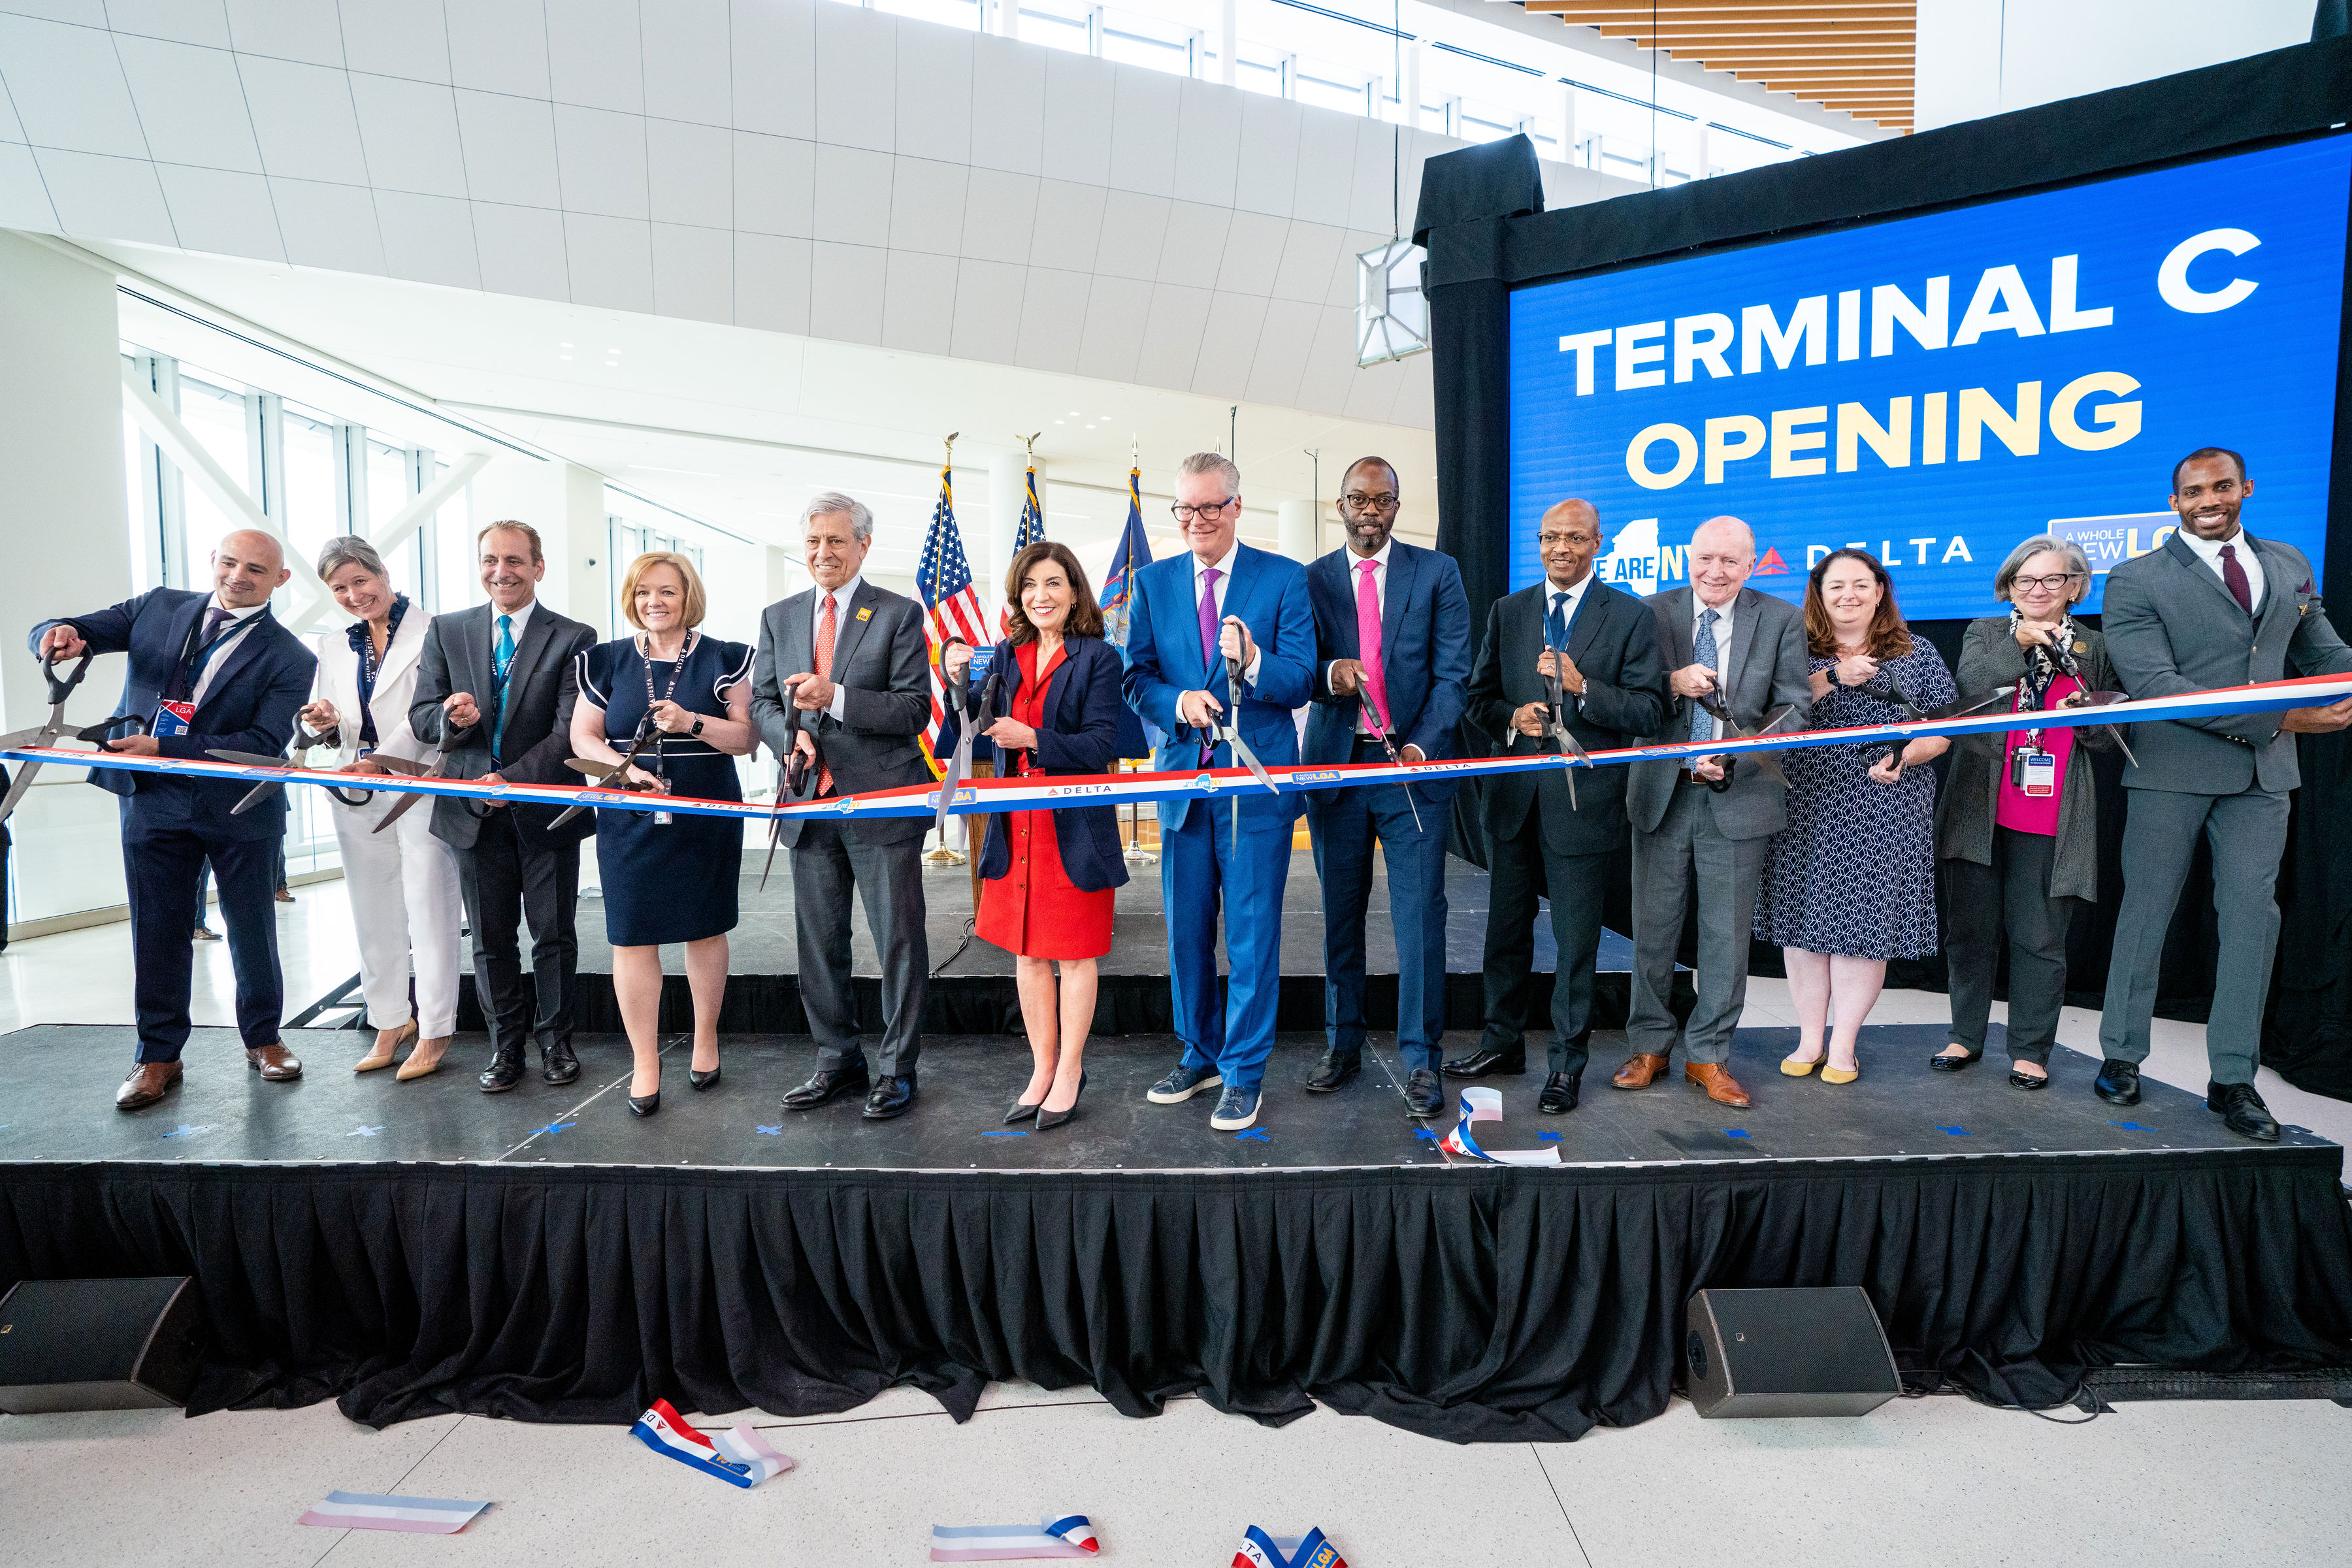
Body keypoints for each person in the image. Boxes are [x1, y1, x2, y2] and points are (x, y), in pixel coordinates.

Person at [2095, 447, 2352, 1141]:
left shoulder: (2290, 563)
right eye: (2194, 490)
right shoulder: (2133, 578)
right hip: (2172, 769)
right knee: (2147, 914)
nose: (2210, 498)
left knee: (2251, 922)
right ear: (2174, 501)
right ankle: (2121, 1055)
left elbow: (2324, 653)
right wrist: (2286, 716)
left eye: (2222, 486)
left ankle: (2233, 1079)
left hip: (2264, 778)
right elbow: (2157, 689)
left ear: (2246, 488)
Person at [30, 529, 316, 1111]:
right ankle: (158, 1053)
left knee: (252, 929)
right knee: (157, 930)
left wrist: (168, 747)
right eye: (230, 563)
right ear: (213, 560)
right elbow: (66, 629)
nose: (239, 576)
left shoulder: (292, 656)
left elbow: (263, 744)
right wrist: (54, 636)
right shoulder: (156, 607)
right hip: (149, 799)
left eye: (256, 570)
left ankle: (263, 1039)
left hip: (238, 806)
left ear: (279, 581)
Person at [1450, 499, 1669, 1114]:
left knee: (1575, 944)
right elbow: (1480, 697)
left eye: (1575, 538)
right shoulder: (1510, 610)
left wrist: (1584, 689)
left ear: (1598, 543)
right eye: (1550, 537)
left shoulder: (1629, 616)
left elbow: (1651, 711)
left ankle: (1567, 1064)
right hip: (1515, 797)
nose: (1561, 549)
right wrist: (1512, 720)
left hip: (1585, 804)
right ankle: (1502, 1042)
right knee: (1505, 933)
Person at [1122, 451, 1315, 1133]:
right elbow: (1136, 677)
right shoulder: (1152, 582)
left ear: (1236, 506)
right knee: (1186, 933)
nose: (1195, 521)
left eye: (1209, 507)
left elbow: (1300, 680)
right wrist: (1179, 702)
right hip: (1183, 781)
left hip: (1254, 787)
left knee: (1253, 936)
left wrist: (1254, 663)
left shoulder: (1284, 579)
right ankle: (1200, 1051)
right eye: (1184, 509)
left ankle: (1243, 1071)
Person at [752, 493, 934, 1122]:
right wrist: (790, 736)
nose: (823, 553)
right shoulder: (779, 616)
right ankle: (837, 1060)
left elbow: (915, 710)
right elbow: (762, 705)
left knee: (898, 944)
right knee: (819, 944)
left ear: (863, 546)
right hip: (808, 800)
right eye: (812, 543)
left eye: (835, 542)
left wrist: (836, 698)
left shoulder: (899, 614)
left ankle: (896, 1069)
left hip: (881, 802)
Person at [1618, 516, 1810, 1109]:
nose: (1715, 571)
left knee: (1725, 938)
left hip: (1740, 795)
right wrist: (1672, 682)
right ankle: (1649, 1046)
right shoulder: (1648, 614)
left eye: (1730, 561)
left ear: (1752, 564)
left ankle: (1709, 1055)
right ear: (1688, 559)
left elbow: (1794, 708)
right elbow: (1627, 696)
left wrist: (1735, 755)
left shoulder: (1780, 619)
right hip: (1663, 794)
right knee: (1653, 930)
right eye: (1705, 559)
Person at [1299, 456, 1469, 1117]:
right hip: (1337, 771)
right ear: (1338, 505)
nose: (1371, 511)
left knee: (1420, 917)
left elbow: (1453, 674)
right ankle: (1342, 1043)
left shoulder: (1437, 573)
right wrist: (1326, 675)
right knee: (1340, 917)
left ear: (1398, 506)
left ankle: (1422, 1060)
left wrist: (1422, 745)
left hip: (1410, 771)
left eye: (1383, 500)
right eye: (1358, 499)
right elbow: (1294, 668)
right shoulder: (1310, 580)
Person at [941, 541, 1129, 1130]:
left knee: (1073, 957)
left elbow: (1104, 744)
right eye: (1029, 586)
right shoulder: (1004, 651)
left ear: (1074, 591)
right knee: (1026, 955)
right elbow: (969, 729)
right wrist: (955, 688)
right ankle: (1041, 1068)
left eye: (1052, 583)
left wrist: (1035, 739)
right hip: (1013, 824)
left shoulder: (1099, 657)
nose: (1039, 596)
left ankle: (1071, 1070)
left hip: (1071, 828)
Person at [409, 521, 599, 1094]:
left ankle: (556, 1043)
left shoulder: (574, 637)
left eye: (515, 560)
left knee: (553, 935)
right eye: (490, 560)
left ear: (538, 567)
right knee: (490, 940)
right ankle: (505, 1047)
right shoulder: (447, 630)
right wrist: (450, 717)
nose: (502, 571)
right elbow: (421, 718)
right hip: (471, 812)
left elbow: (571, 732)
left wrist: (510, 778)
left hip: (544, 808)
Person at [1752, 549, 1954, 1084]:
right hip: (1804, 800)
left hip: (1884, 804)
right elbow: (1770, 716)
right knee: (1803, 925)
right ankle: (1808, 1038)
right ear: (1818, 595)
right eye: (1836, 586)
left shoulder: (1918, 652)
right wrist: (1835, 676)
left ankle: (1843, 1047)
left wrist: (1907, 755)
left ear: (1880, 591)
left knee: (1862, 926)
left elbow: (1947, 726)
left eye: (1861, 585)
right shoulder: (1795, 651)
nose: (1849, 595)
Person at [570, 551, 756, 1117]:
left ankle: (705, 1040)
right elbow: (584, 737)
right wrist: (629, 774)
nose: (655, 601)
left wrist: (693, 723)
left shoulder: (727, 657)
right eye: (645, 591)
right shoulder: (604, 661)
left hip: (705, 810)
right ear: (633, 597)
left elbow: (747, 739)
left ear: (688, 597)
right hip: (630, 812)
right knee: (631, 936)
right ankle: (645, 1061)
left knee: (704, 929)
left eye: (668, 592)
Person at [1933, 536, 2116, 1090]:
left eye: (2051, 580)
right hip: (1978, 810)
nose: (2037, 590)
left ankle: (2031, 1049)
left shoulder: (2094, 647)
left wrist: (2086, 713)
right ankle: (1965, 1035)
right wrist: (2020, 643)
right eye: (2024, 581)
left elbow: (2110, 735)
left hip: (2053, 814)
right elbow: (1968, 691)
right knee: (1970, 932)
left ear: (2075, 588)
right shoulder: (1985, 633)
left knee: (2039, 938)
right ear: (2009, 587)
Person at [299, 535, 465, 1081]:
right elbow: (337, 724)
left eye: (360, 581)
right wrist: (325, 723)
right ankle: (390, 1020)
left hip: (418, 784)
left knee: (430, 908)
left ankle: (437, 1026)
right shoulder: (331, 645)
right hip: (354, 787)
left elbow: (436, 711)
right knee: (372, 911)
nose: (353, 595)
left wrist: (384, 759)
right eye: (340, 588)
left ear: (383, 573)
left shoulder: (438, 630)